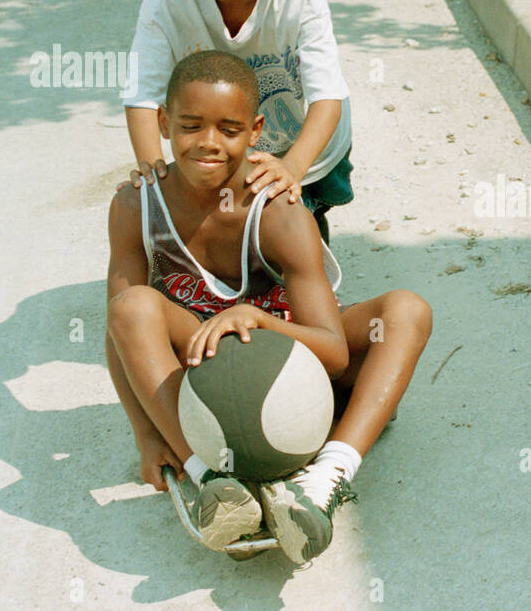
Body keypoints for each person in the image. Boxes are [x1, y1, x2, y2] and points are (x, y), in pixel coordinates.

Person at [105, 51, 431, 566]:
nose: (208, 142)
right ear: (164, 123)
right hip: (204, 382)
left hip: (298, 365)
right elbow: (118, 330)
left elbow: (334, 352)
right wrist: (148, 438)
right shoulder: (135, 205)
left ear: (256, 130)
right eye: (190, 126)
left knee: (406, 310)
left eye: (229, 129)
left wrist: (258, 319)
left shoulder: (277, 210)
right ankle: (211, 482)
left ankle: (324, 479)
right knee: (132, 306)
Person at [123, 0, 353, 242]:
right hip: (224, 145)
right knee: (227, 234)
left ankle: (309, 236)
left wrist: (291, 168)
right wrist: (155, 178)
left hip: (302, 138)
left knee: (293, 230)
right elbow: (143, 96)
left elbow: (326, 97)